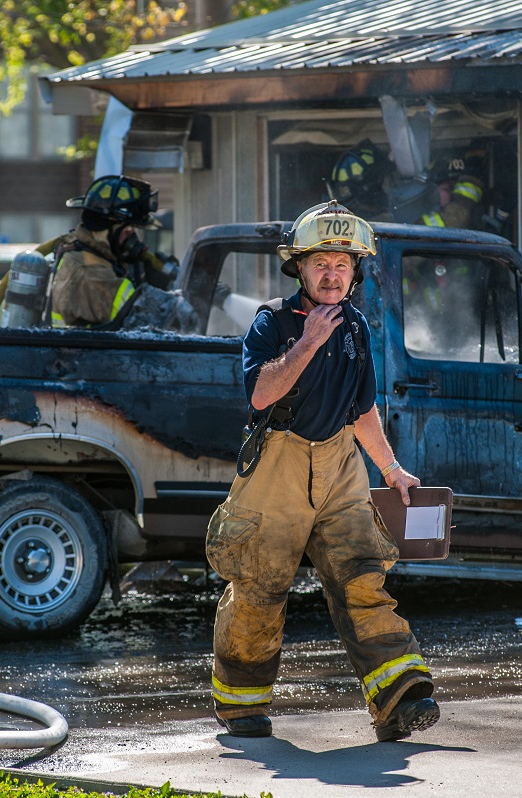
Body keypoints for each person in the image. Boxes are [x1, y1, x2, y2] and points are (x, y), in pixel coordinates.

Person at [205, 200, 439, 742]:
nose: (332, 274)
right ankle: (242, 706)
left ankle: (400, 697)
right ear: (300, 270)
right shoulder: (272, 322)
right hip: (279, 464)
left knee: (363, 575)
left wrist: (393, 469)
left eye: (342, 264)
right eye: (320, 264)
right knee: (259, 585)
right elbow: (261, 394)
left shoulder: (357, 327)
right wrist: (308, 342)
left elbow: (362, 411)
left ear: (354, 271)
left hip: (339, 465)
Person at [50, 174, 197, 331]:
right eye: (127, 228)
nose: (132, 236)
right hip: (82, 355)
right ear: (104, 226)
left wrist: (149, 276)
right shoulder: (88, 272)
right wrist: (165, 293)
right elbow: (146, 320)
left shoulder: (103, 256)